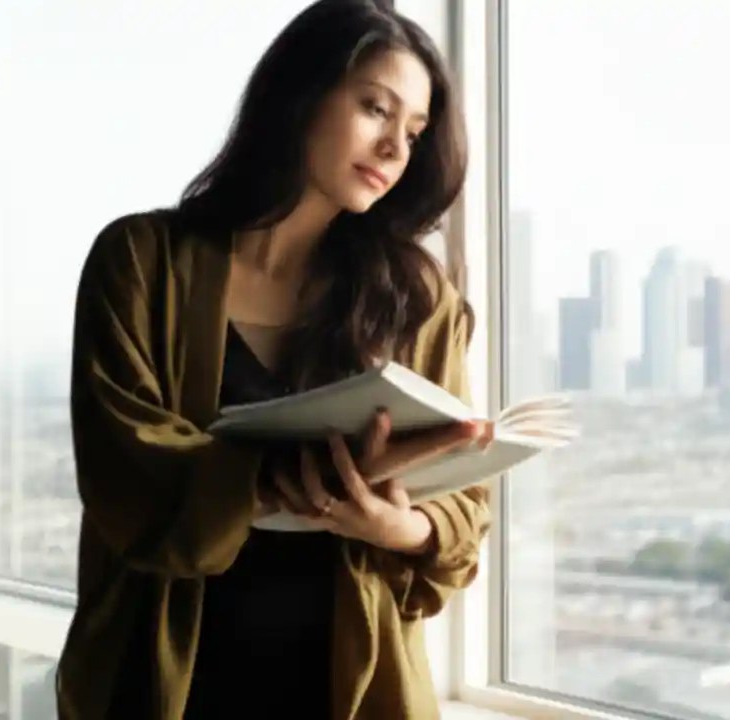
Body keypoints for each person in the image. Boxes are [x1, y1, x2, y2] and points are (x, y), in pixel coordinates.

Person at [54, 1, 493, 717]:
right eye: (376, 108)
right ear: (300, 94)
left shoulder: (415, 300)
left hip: (350, 689)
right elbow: (123, 469)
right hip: (168, 681)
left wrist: (394, 526)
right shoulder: (140, 261)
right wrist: (291, 480)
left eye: (414, 133)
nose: (394, 149)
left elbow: (462, 522)